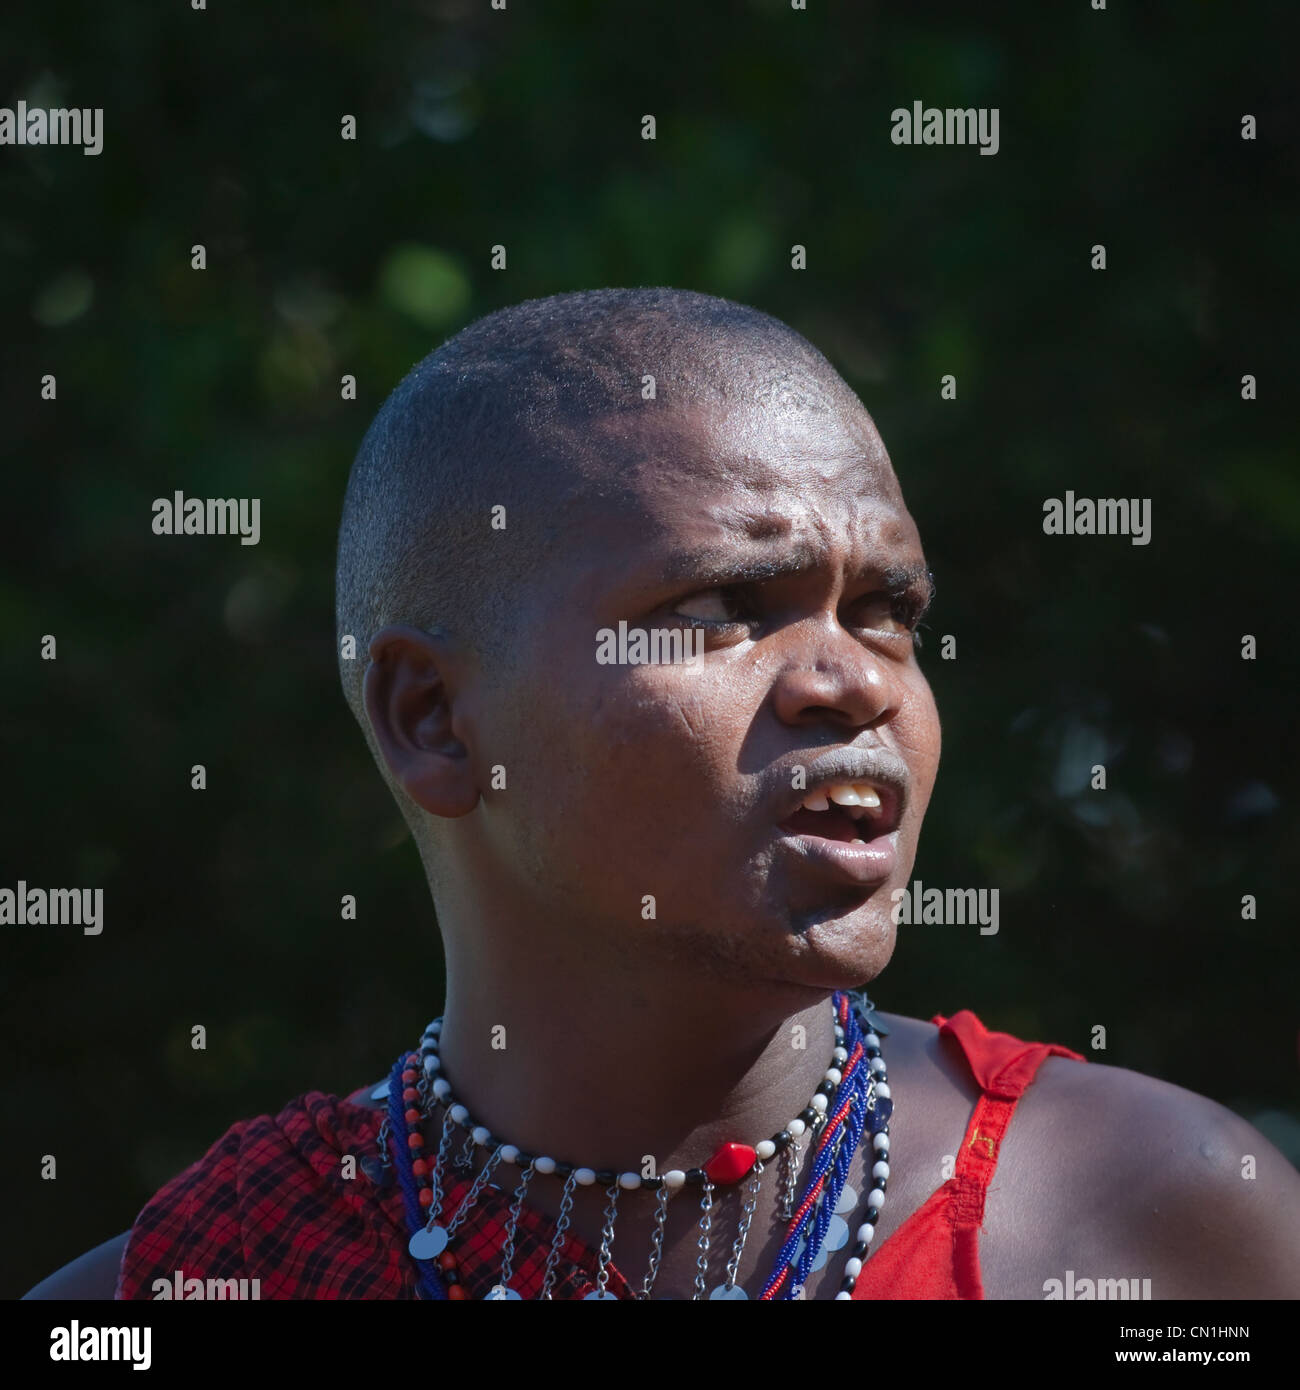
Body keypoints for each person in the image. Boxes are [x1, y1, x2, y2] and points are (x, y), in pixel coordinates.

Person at [25, 288, 1300, 1301]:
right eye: (719, 610)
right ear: (433, 720)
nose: (849, 680)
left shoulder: (1151, 1220)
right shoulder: (210, 1277)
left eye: (888, 613)